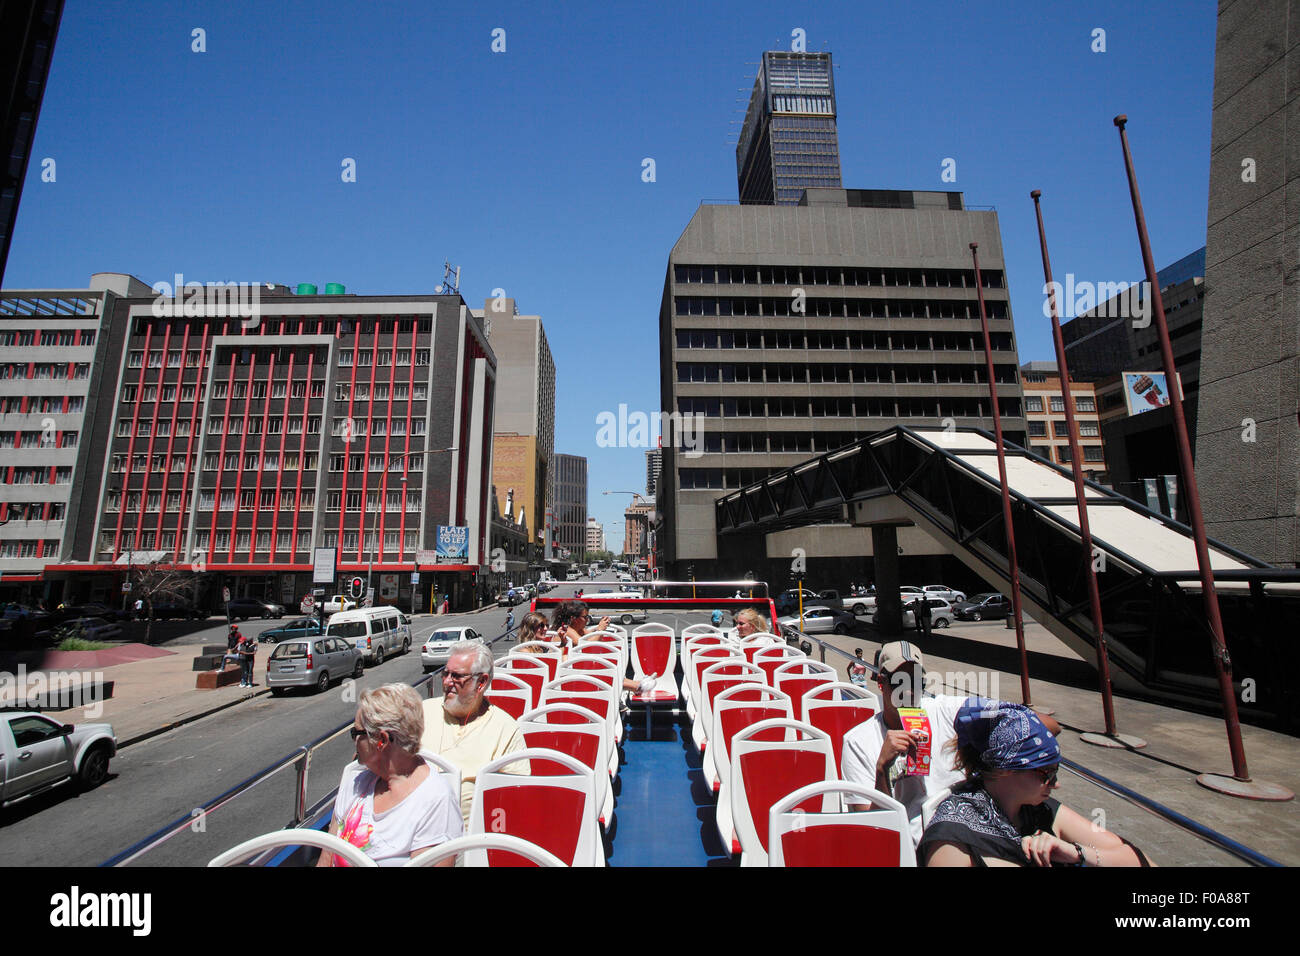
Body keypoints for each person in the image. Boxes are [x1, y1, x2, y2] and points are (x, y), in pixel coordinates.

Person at [920, 699, 1147, 867]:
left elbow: (1138, 859)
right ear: (1007, 769)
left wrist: (1076, 853)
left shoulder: (1037, 809)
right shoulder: (953, 837)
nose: (1055, 784)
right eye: (1046, 773)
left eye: (1055, 772)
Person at [319, 683, 462, 867]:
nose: (354, 740)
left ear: (382, 740)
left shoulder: (435, 800)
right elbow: (326, 859)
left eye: (357, 733)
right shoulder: (355, 782)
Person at [841, 642, 968, 846]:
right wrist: (882, 770)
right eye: (899, 682)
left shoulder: (942, 712)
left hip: (959, 838)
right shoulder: (857, 741)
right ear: (881, 683)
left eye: (916, 682)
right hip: (905, 847)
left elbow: (1001, 713)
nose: (908, 691)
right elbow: (869, 831)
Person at [421, 639, 529, 825]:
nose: (447, 682)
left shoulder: (505, 729)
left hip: (469, 836)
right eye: (445, 674)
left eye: (457, 676)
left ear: (481, 682)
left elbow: (515, 799)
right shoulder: (420, 713)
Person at [550, 600, 655, 694]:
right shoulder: (567, 630)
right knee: (600, 671)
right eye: (585, 617)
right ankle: (636, 686)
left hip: (574, 670)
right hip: (564, 674)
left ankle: (636, 685)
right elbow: (586, 645)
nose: (587, 620)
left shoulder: (579, 630)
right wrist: (600, 630)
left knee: (604, 668)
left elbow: (591, 637)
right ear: (574, 619)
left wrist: (600, 628)